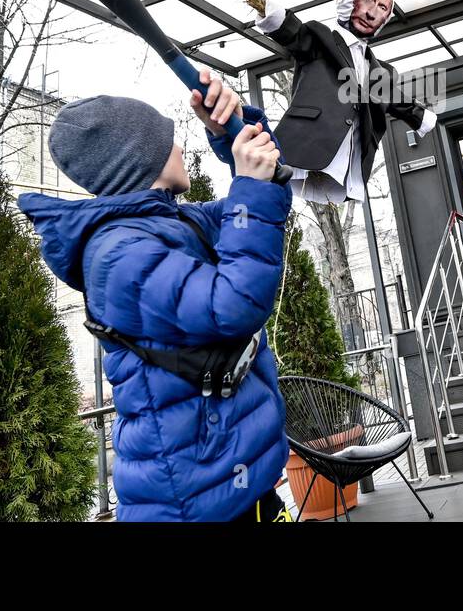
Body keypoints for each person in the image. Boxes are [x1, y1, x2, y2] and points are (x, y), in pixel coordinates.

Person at [17, 71, 294, 522]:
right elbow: (235, 305)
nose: (181, 147)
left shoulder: (175, 223)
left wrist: (235, 129)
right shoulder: (119, 254)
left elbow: (268, 201)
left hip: (234, 480)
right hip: (196, 497)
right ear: (138, 159)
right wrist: (248, 184)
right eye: (167, 140)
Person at [247, 0, 437, 204]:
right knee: (274, 203)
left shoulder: (382, 71)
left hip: (346, 165)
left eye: (382, 8)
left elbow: (395, 99)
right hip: (305, 147)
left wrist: (421, 117)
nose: (372, 13)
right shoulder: (321, 38)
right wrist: (272, 15)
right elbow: (297, 35)